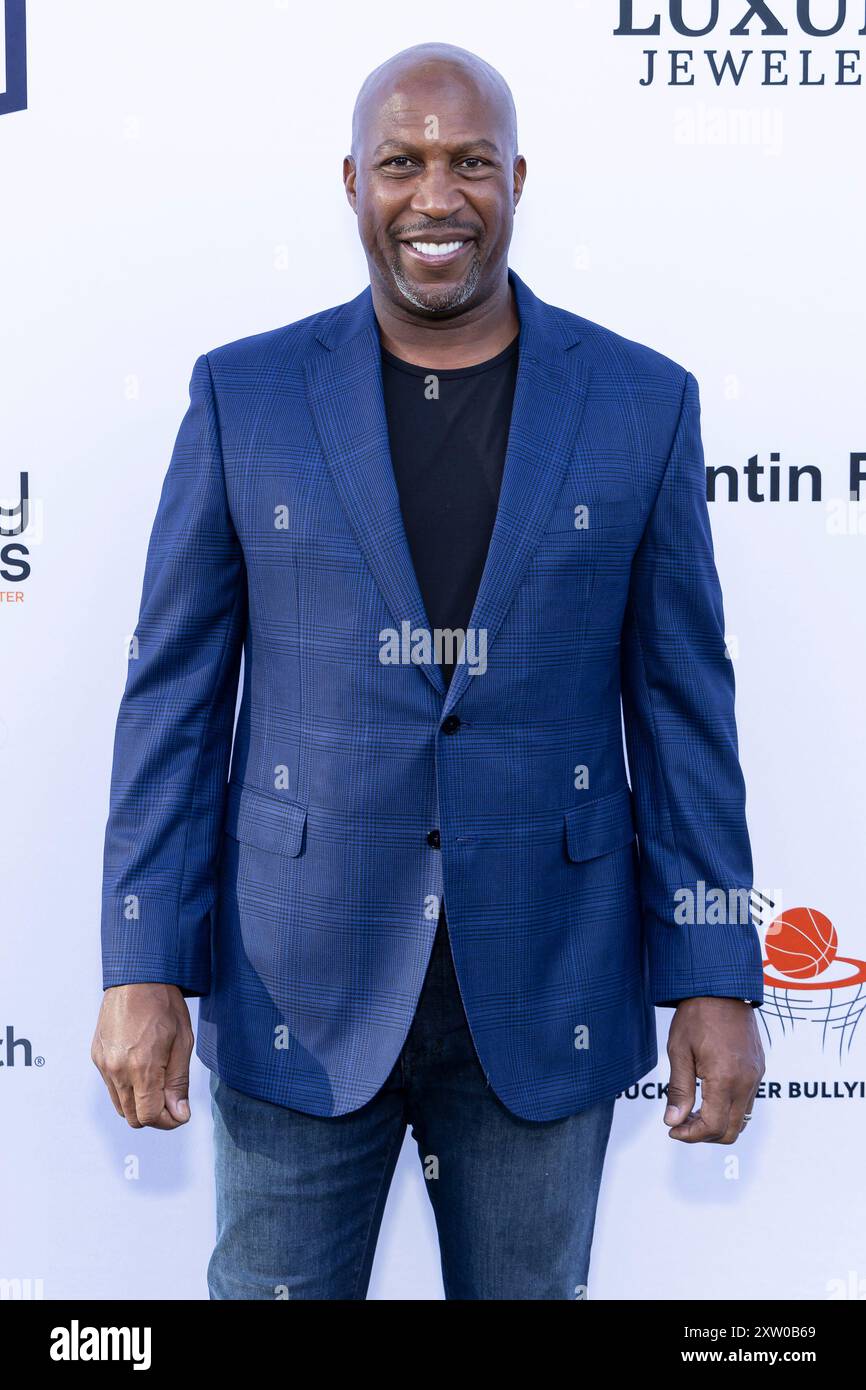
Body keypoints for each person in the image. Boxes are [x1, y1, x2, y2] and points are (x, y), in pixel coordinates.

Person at [92, 42, 765, 1301]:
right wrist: (142, 962)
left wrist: (715, 975)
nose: (434, 198)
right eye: (401, 163)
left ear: (517, 177)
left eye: (468, 164)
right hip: (300, 980)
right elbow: (173, 706)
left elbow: (684, 716)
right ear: (352, 180)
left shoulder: (638, 403)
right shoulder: (245, 396)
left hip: (548, 980)